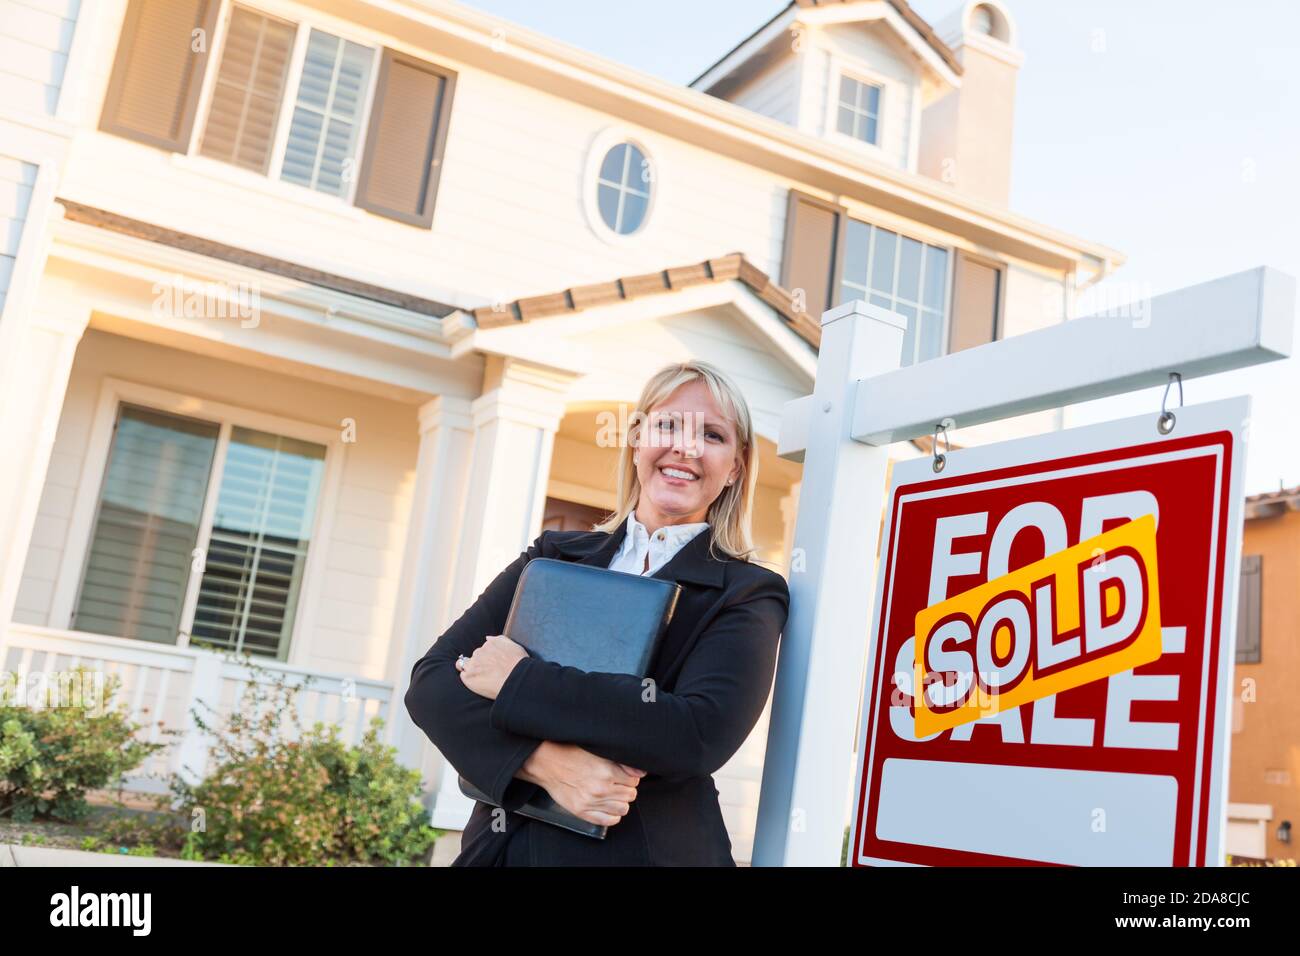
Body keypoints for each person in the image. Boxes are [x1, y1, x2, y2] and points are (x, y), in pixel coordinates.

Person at [403, 360, 790, 865]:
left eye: (712, 435)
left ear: (735, 466)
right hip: (502, 848)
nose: (685, 447)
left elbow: (696, 733)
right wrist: (543, 765)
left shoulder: (747, 591)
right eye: (668, 425)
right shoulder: (552, 556)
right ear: (636, 439)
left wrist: (518, 679)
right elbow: (432, 683)